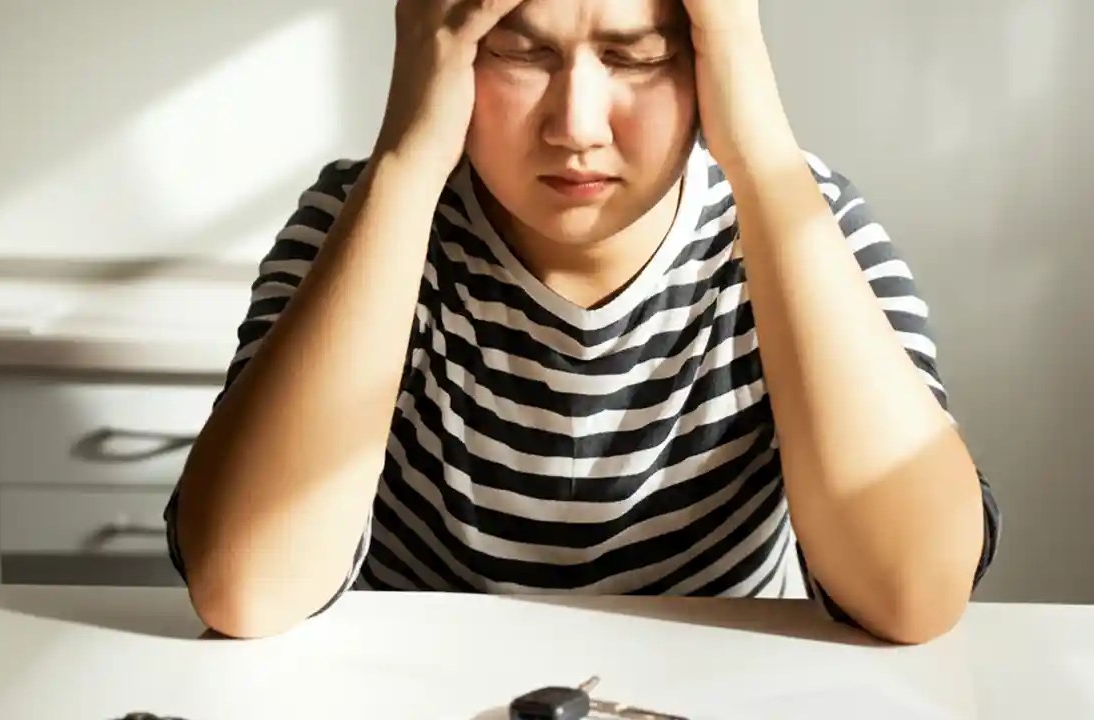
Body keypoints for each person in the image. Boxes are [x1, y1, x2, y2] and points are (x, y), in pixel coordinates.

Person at [164, 0, 1001, 644]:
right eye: (521, 53)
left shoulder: (805, 222)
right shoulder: (356, 219)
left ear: (711, 62)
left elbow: (915, 592)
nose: (576, 127)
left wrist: (763, 154)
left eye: (637, 57)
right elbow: (247, 587)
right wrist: (406, 161)